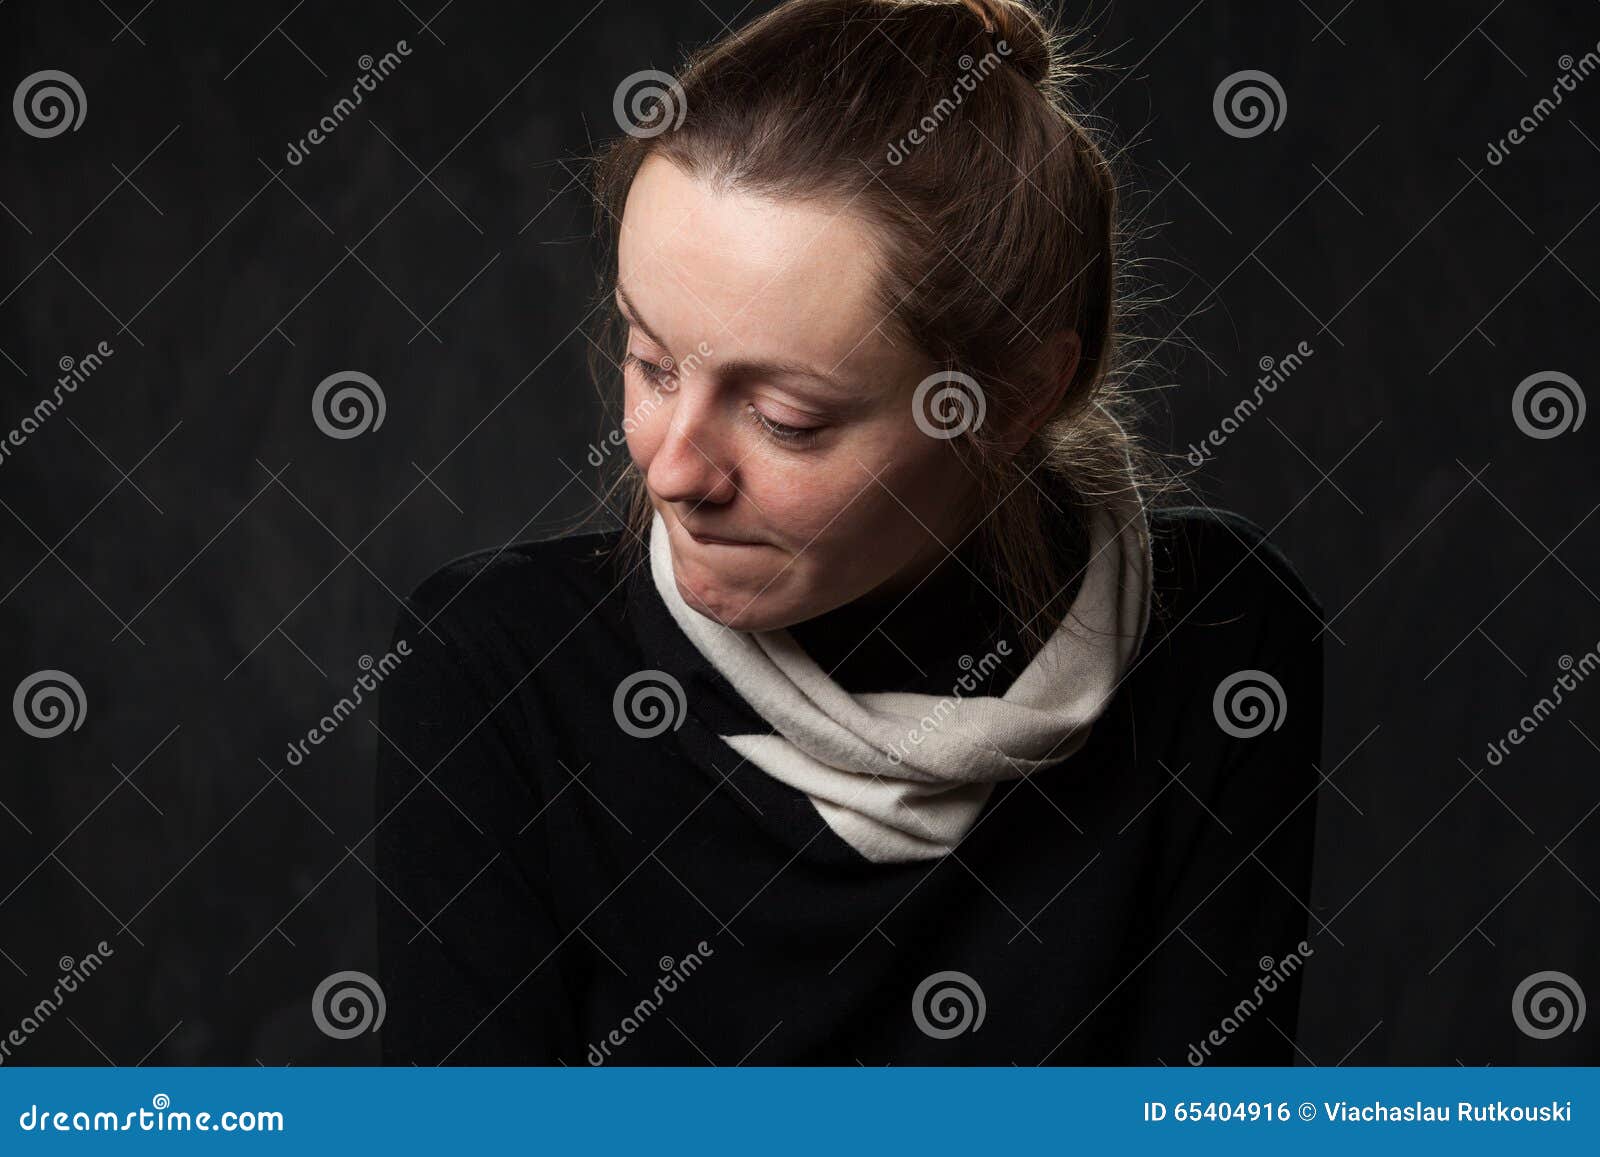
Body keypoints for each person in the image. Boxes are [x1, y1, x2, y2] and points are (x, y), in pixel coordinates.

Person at [374, 0, 1323, 1065]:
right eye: (650, 362)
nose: (672, 467)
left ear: (1009, 398)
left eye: (788, 418)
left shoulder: (1218, 633)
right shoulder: (493, 668)